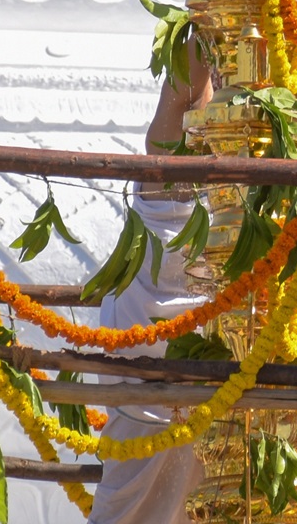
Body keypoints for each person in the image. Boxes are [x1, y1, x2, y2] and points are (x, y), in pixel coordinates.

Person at [88, 55, 212, 524]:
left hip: (229, 352)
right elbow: (181, 93)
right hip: (146, 348)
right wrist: (215, 23)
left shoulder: (275, 138)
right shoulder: (170, 145)